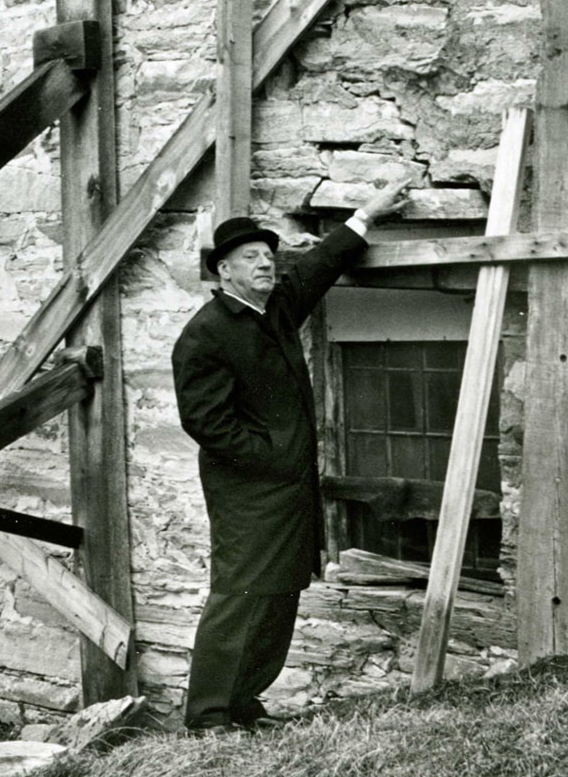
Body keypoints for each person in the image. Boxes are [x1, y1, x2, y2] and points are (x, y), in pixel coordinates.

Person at [172, 186, 409, 735]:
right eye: (250, 258)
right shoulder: (205, 335)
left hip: (286, 488)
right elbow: (207, 423)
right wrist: (274, 459)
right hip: (247, 493)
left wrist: (365, 216)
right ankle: (208, 715)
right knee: (240, 596)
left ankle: (244, 701)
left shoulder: (272, 309)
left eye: (268, 256)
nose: (264, 263)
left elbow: (320, 266)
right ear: (223, 271)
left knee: (279, 594)